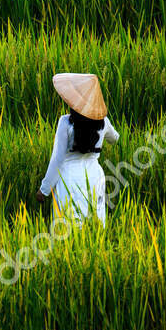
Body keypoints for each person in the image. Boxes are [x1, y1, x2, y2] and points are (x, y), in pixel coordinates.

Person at [37, 73, 120, 224]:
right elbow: (115, 139)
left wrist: (44, 189)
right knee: (95, 223)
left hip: (69, 177)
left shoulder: (66, 122)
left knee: (68, 226)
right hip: (95, 176)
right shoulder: (103, 122)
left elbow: (57, 159)